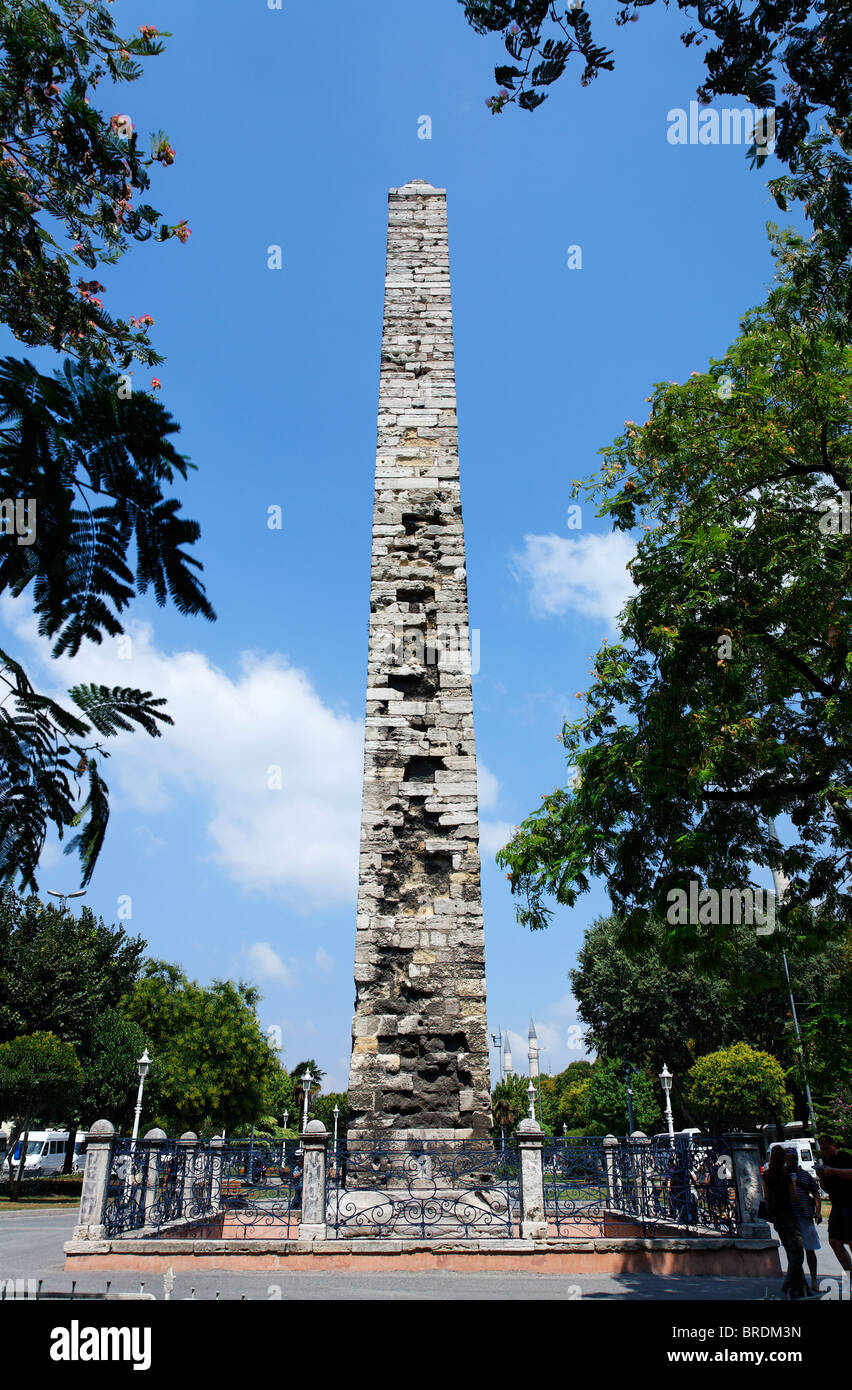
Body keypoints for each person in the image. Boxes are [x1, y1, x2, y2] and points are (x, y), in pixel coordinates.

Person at [763, 1144, 808, 1299]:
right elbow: (794, 1197)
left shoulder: (767, 1175)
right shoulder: (786, 1175)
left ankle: (801, 1286)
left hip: (776, 1216)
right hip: (788, 1214)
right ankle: (789, 1283)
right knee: (797, 1252)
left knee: (791, 1251)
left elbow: (766, 1196)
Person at [786, 1148, 822, 1294]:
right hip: (789, 1217)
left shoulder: (805, 1175)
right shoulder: (783, 1175)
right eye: (789, 1158)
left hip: (805, 1215)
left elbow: (816, 1194)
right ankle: (798, 1281)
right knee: (794, 1252)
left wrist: (818, 1212)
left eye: (794, 1158)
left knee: (810, 1250)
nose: (792, 1161)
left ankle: (814, 1280)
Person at [817, 1134, 852, 1276]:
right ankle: (850, 1274)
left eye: (827, 1148)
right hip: (837, 1205)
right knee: (834, 1242)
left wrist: (833, 1171)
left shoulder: (844, 1157)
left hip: (850, 1204)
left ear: (833, 1145)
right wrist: (822, 1178)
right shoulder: (826, 1161)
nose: (825, 1152)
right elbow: (826, 1189)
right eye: (823, 1149)